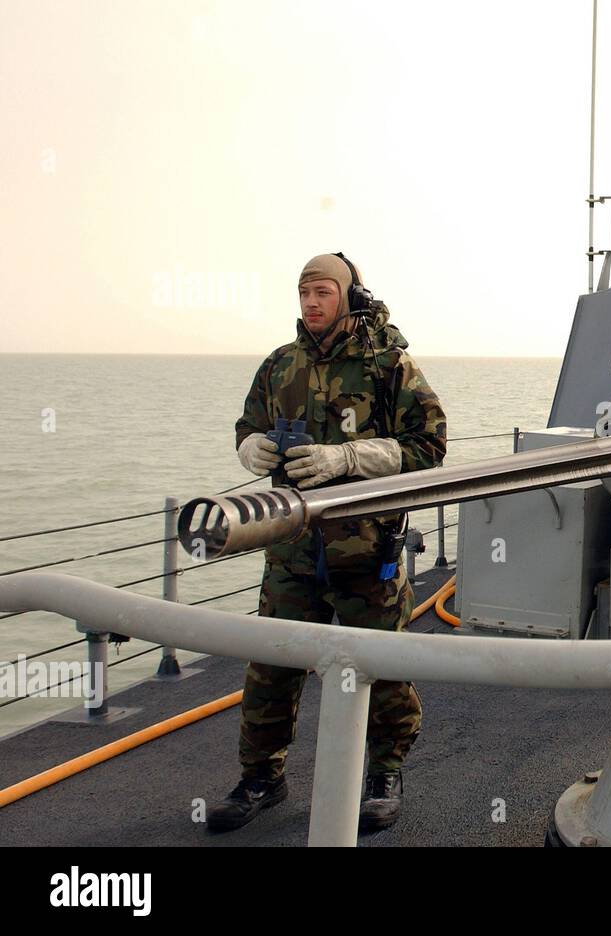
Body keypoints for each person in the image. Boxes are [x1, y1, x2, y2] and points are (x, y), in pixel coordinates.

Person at [207, 253, 447, 834]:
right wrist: (252, 446)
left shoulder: (388, 366)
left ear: (349, 296)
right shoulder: (279, 367)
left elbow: (429, 446)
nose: (311, 303)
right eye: (303, 293)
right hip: (290, 549)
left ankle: (385, 772)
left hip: (365, 550)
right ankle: (262, 777)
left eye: (323, 292)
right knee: (271, 664)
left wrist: (349, 457)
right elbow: (248, 424)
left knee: (380, 664)